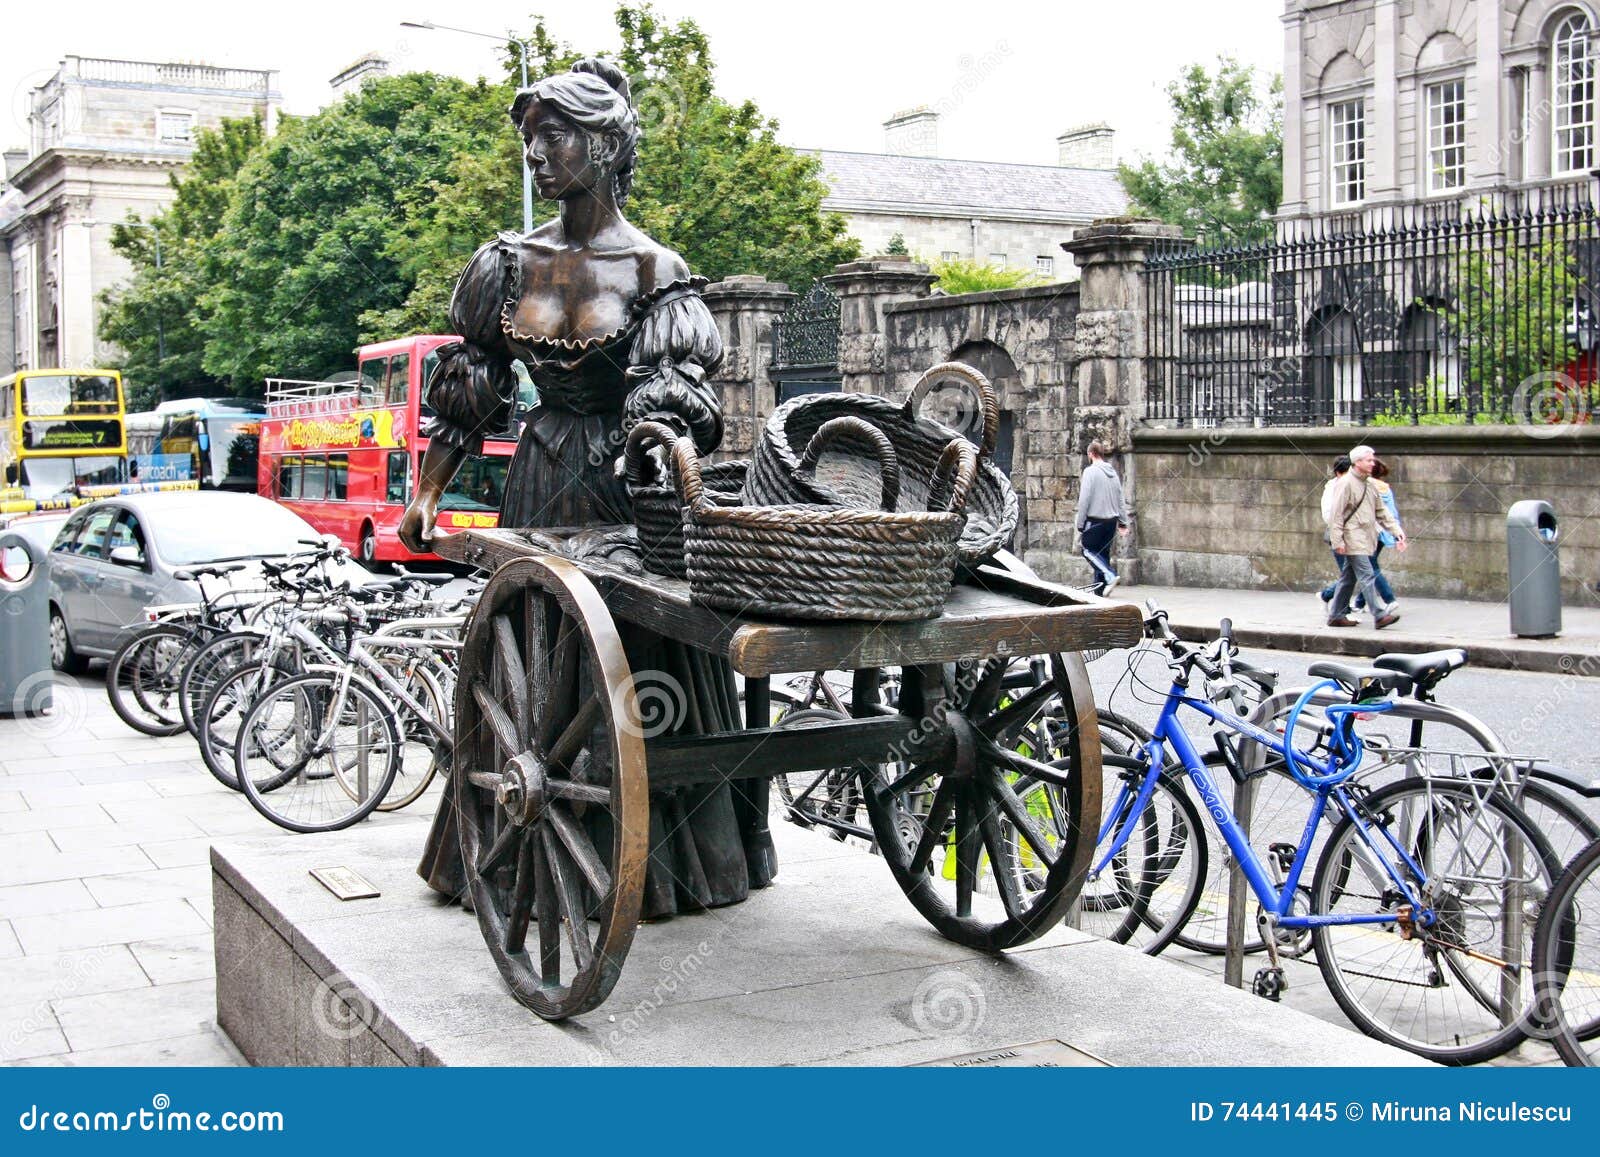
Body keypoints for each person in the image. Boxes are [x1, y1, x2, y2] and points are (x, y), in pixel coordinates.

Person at [398, 59, 772, 917]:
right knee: (532, 662)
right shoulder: (505, 264)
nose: (537, 154)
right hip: (536, 484)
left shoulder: (653, 270)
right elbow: (472, 387)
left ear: (604, 146)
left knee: (635, 663)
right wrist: (427, 494)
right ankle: (515, 837)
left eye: (555, 136)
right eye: (531, 139)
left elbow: (680, 401)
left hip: (625, 491)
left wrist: (656, 444)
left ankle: (655, 862)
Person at [1326, 444, 1407, 628]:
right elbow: (1336, 514)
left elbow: (1382, 512)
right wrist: (1337, 540)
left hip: (1365, 537)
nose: (1373, 463)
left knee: (1348, 577)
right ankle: (1379, 615)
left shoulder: (1370, 484)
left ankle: (1336, 615)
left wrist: (1396, 531)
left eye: (1373, 459)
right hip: (1352, 537)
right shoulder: (1345, 483)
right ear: (1357, 462)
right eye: (1369, 460)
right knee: (1367, 573)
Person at [1075, 440, 1129, 595]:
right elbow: (1120, 498)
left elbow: (1084, 499)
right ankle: (1100, 590)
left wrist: (1080, 522)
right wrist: (1123, 522)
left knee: (1087, 550)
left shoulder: (1090, 472)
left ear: (1091, 454)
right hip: (1111, 522)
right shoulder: (1113, 473)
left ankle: (1110, 575)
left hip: (1095, 520)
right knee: (1102, 555)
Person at [1317, 454, 1351, 609]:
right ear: (1338, 473)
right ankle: (1334, 601)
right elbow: (1328, 514)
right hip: (1338, 535)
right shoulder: (1332, 488)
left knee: (1352, 573)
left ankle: (1333, 599)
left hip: (1352, 535)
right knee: (1349, 573)